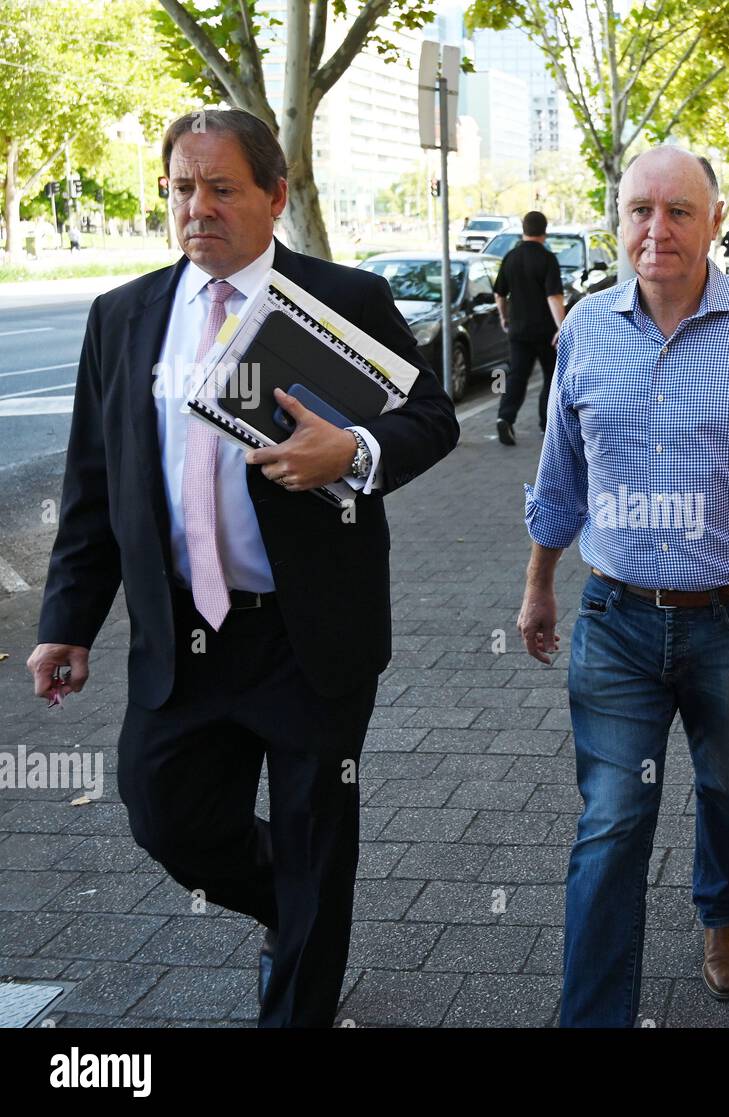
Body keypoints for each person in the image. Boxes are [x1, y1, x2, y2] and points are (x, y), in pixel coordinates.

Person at [26, 109, 459, 1027]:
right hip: (179, 635)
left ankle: (301, 968)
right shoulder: (124, 316)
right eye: (183, 187)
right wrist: (66, 620)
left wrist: (350, 452)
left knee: (315, 842)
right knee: (165, 814)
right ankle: (290, 911)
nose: (199, 207)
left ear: (275, 196)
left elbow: (432, 419)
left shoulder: (344, 297)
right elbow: (94, 484)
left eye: (223, 187)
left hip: (308, 637)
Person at [516, 145, 729, 1028]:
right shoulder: (586, 328)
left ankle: (721, 910)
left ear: (716, 220)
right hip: (617, 619)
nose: (656, 229)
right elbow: (562, 474)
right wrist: (540, 584)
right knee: (611, 822)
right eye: (640, 210)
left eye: (678, 210)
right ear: (617, 219)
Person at [493, 210, 566, 445]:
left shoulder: (510, 257)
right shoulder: (547, 259)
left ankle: (505, 417)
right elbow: (553, 296)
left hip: (518, 330)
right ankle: (547, 425)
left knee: (516, 377)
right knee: (550, 378)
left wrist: (504, 318)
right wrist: (561, 327)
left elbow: (499, 293)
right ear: (545, 231)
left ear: (523, 230)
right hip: (546, 333)